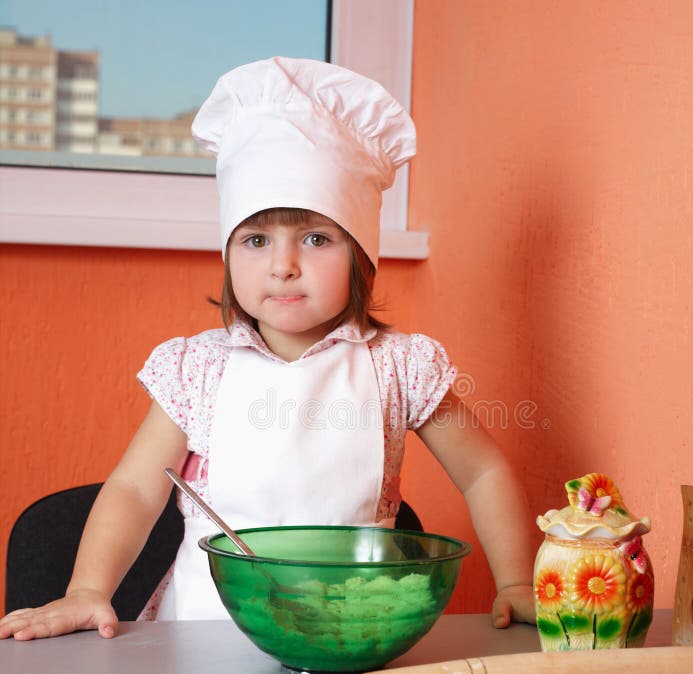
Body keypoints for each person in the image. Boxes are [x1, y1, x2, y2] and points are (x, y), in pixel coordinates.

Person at [0, 57, 535, 640]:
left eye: (315, 238)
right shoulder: (196, 370)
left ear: (361, 255)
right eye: (256, 239)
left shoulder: (402, 366)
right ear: (229, 255)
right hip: (203, 639)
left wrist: (516, 582)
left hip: (353, 636)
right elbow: (133, 488)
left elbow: (482, 471)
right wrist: (87, 591)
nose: (283, 266)